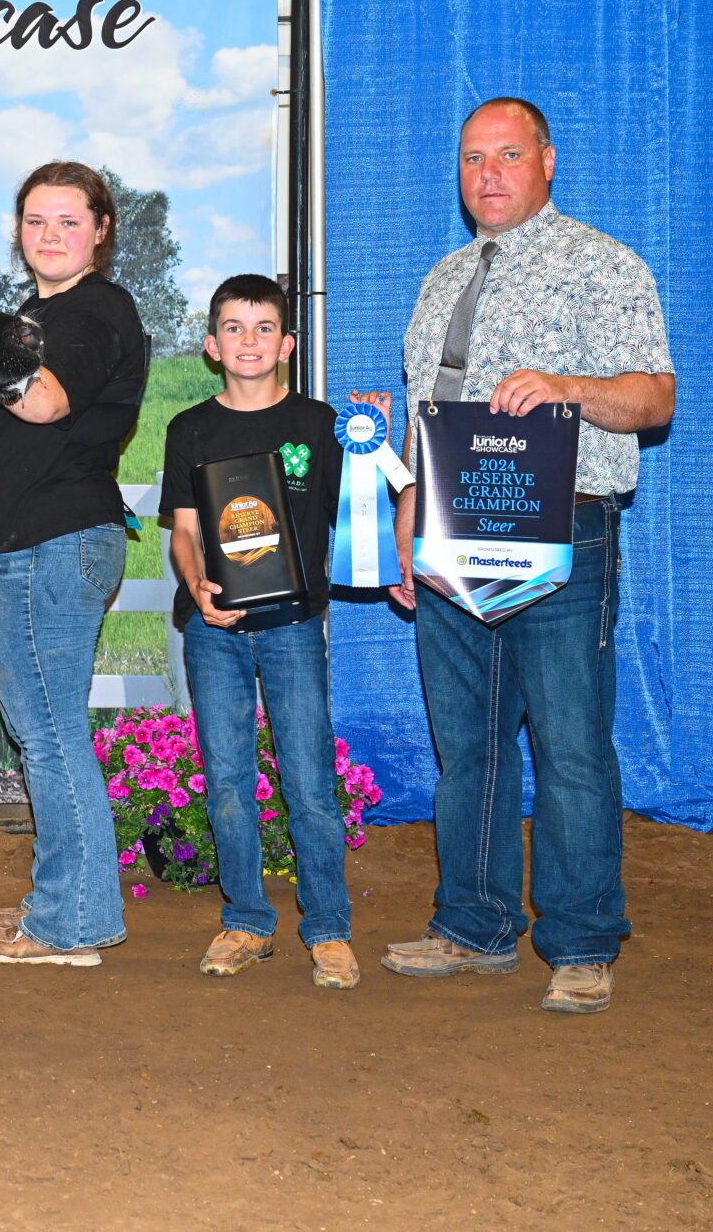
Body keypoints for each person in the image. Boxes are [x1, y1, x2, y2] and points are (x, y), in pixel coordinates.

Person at [382, 97, 673, 1014]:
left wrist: (566, 388)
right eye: (473, 158)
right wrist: (408, 515)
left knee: (572, 746)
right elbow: (426, 413)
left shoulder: (605, 265)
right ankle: (474, 923)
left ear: (548, 161)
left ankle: (582, 941)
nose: (488, 174)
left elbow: (655, 399)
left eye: (508, 155)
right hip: (452, 535)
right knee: (468, 747)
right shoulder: (441, 278)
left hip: (565, 531)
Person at [0, 161, 150, 967]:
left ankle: (69, 922)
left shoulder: (94, 309)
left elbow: (44, 402)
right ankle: (67, 901)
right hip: (20, 544)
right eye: (36, 220)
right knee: (42, 731)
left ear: (101, 231)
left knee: (47, 734)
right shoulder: (36, 315)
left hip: (52, 542)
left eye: (69, 221)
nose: (50, 235)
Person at [162, 274, 357, 989]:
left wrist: (374, 448)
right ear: (212, 345)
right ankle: (247, 919)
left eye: (265, 327)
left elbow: (354, 513)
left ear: (288, 344)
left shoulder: (321, 425)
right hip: (213, 630)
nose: (250, 341)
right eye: (235, 328)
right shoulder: (189, 429)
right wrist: (197, 586)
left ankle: (329, 928)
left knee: (310, 781)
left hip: (294, 627)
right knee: (227, 782)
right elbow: (185, 532)